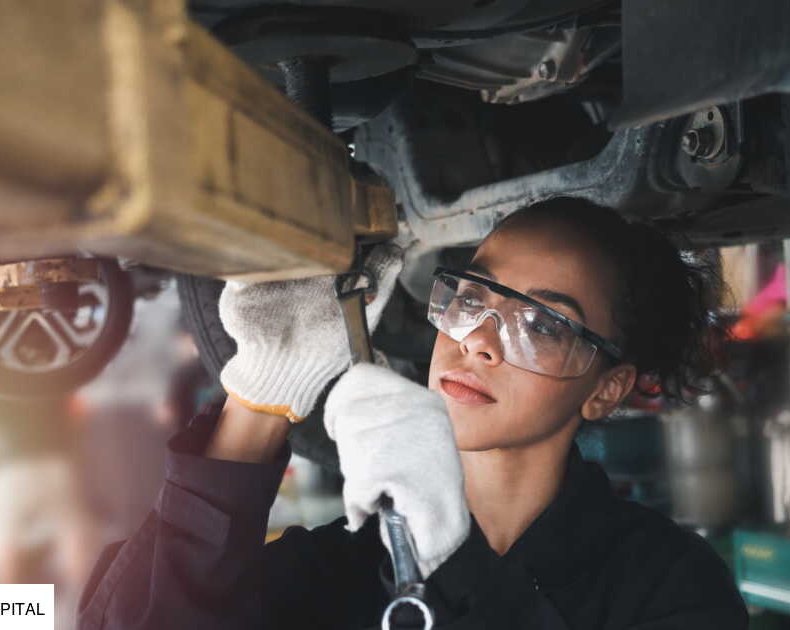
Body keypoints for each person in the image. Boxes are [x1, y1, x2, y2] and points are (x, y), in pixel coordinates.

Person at [77, 198, 748, 629]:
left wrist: (447, 559)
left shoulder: (670, 586)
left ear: (607, 388)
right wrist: (260, 399)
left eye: (543, 323)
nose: (478, 338)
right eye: (473, 295)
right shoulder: (338, 567)